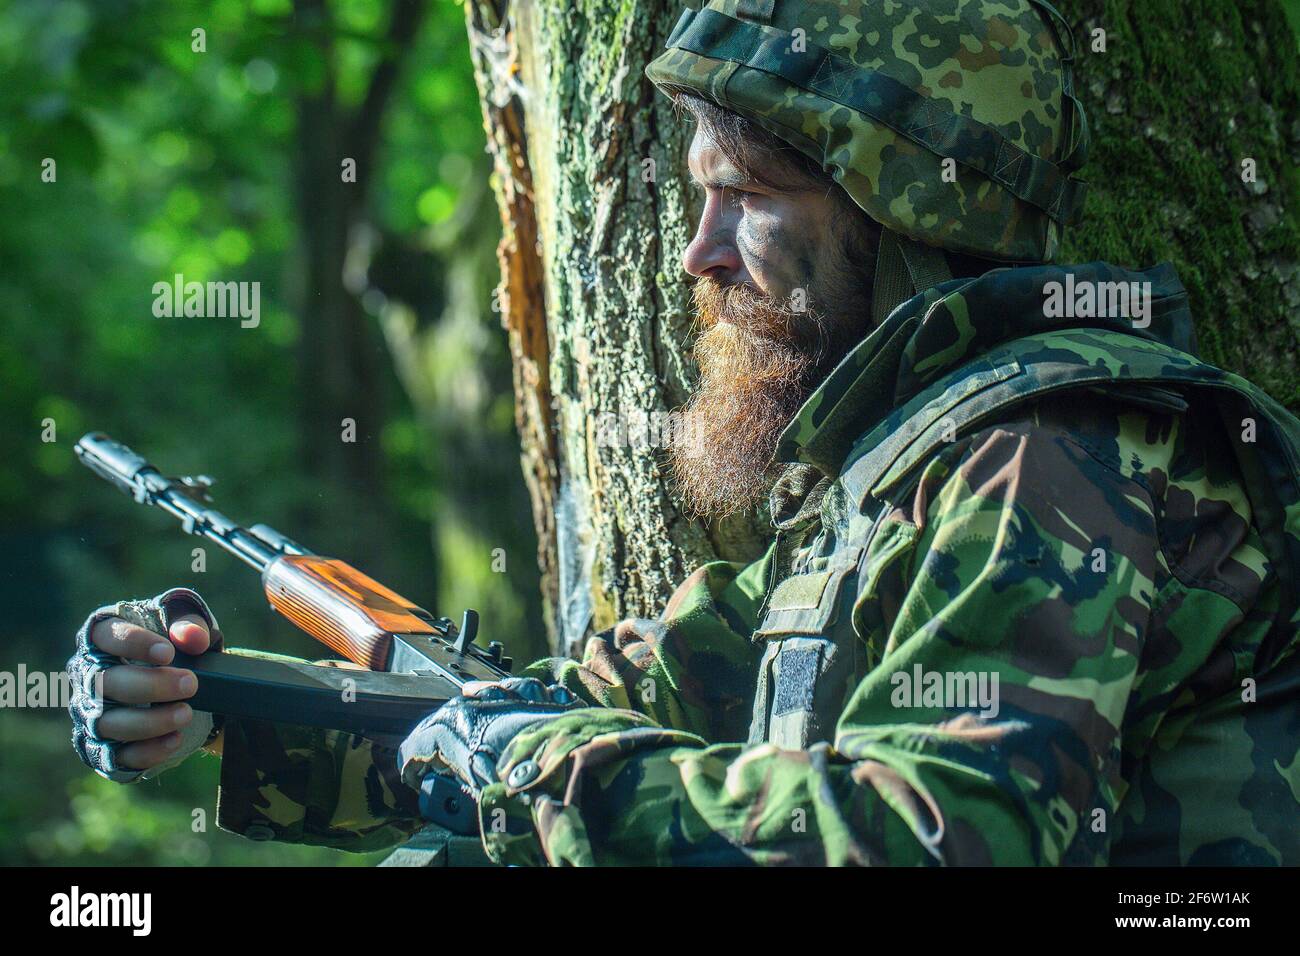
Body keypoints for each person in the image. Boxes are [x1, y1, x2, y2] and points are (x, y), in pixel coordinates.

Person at [68, 0, 1300, 865]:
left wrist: (536, 776)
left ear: (908, 210)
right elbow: (608, 694)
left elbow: (945, 836)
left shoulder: (1052, 459)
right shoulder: (903, 480)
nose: (698, 253)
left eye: (750, 199)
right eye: (702, 195)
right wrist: (220, 707)